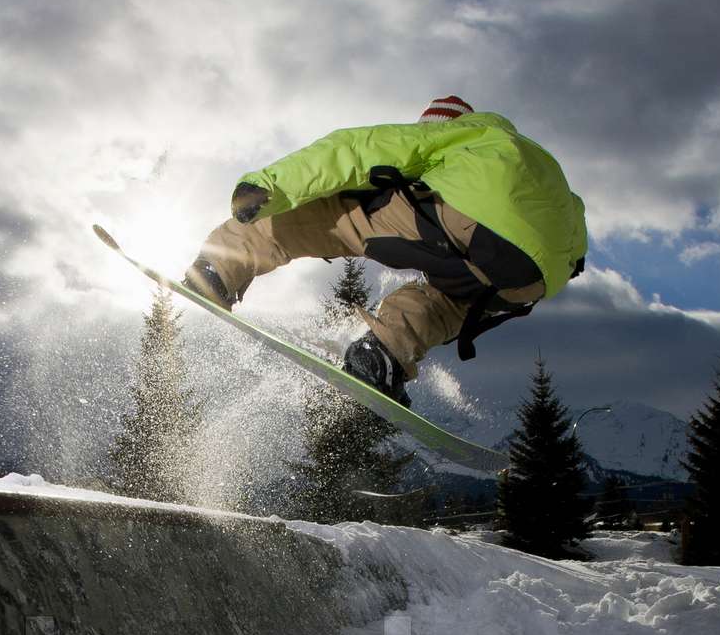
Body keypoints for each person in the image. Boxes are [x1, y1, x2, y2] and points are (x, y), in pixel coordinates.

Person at [183, 96, 587, 406]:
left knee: (331, 215)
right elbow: (578, 226)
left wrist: (268, 183)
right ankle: (384, 355)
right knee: (449, 303)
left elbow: (356, 148)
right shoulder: (532, 160)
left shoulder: (456, 133)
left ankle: (218, 268)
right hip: (532, 277)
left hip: (470, 216)